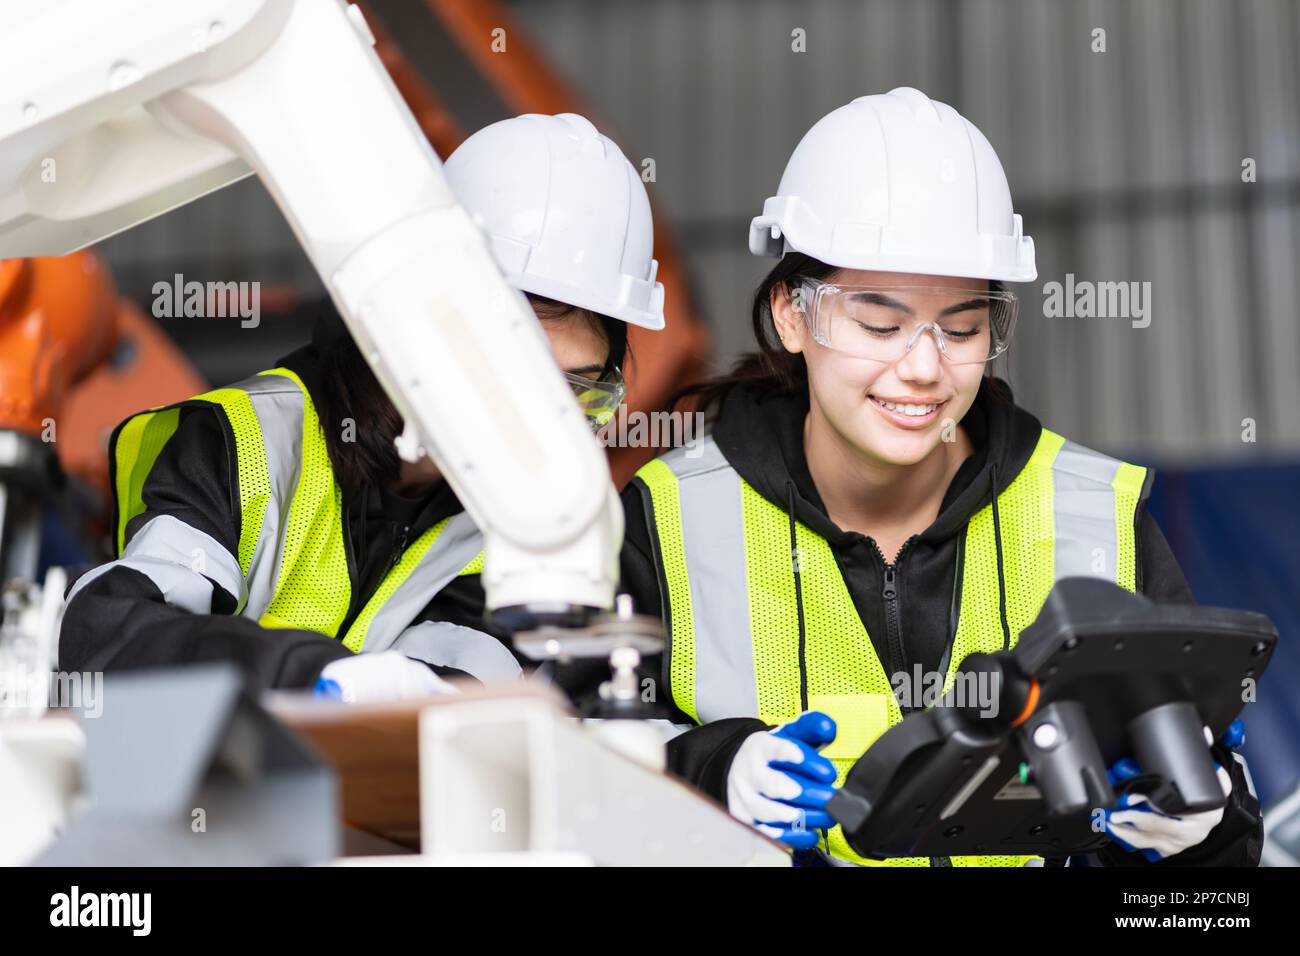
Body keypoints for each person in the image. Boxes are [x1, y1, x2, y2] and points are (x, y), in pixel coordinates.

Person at [618, 88, 1261, 866]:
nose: (923, 368)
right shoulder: (668, 517)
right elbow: (564, 764)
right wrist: (714, 770)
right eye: (881, 325)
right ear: (794, 315)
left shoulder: (1093, 515)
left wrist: (1199, 832)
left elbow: (1211, 847)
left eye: (961, 328)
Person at [59, 113, 664, 702]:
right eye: (518, 375)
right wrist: (312, 678)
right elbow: (111, 635)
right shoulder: (241, 442)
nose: (538, 424)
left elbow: (465, 693)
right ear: (424, 317)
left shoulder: (523, 531)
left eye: (576, 393)